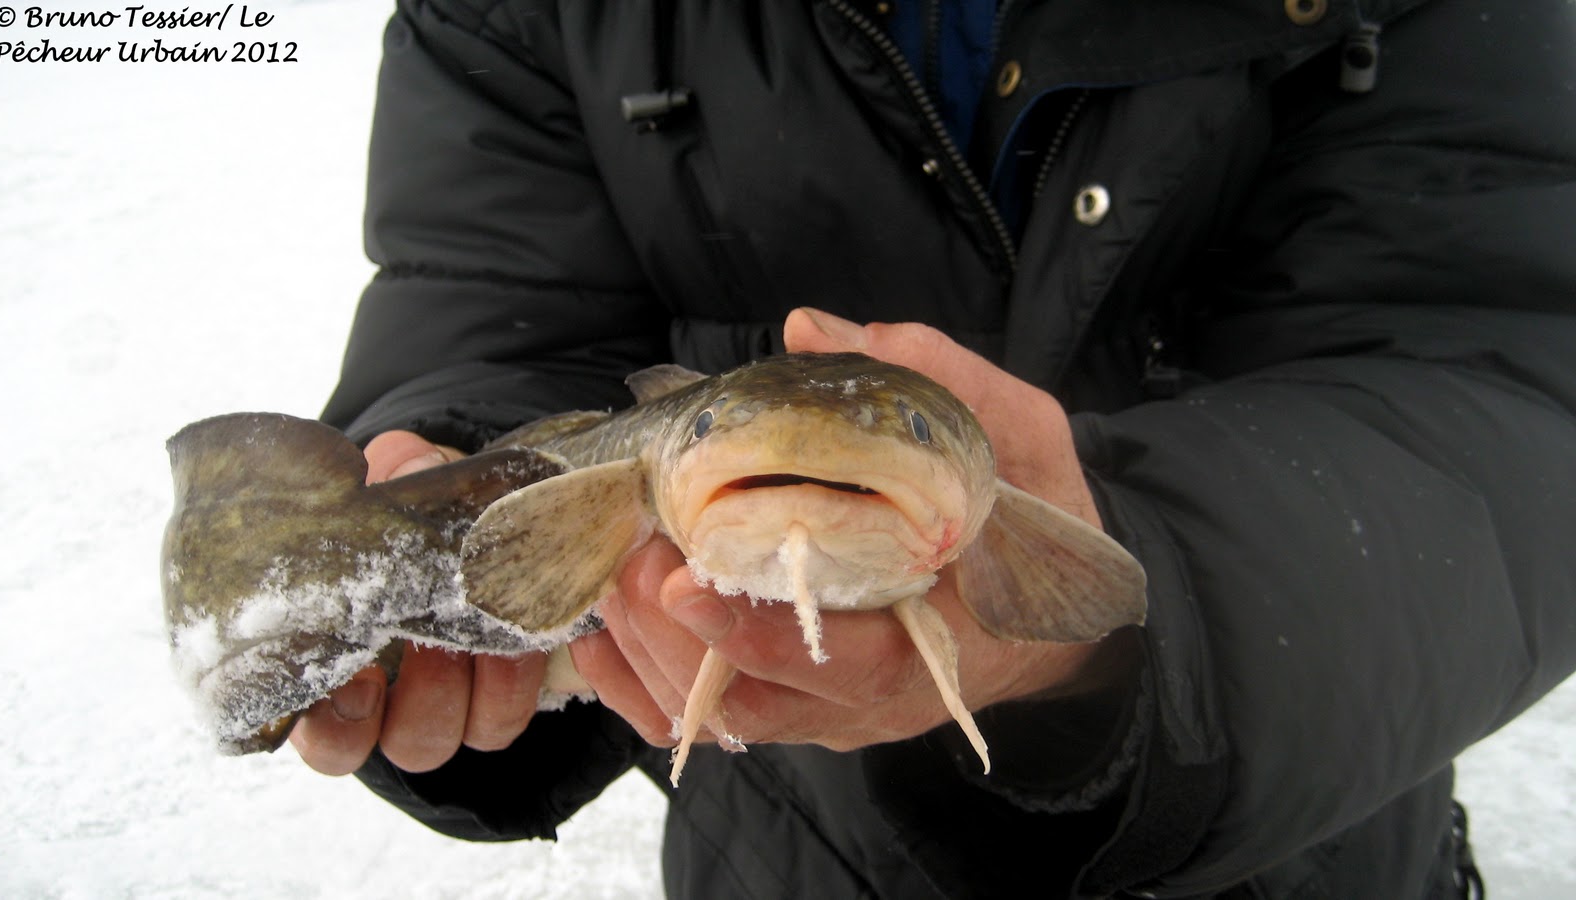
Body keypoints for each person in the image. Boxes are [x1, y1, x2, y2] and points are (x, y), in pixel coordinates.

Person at [288, 0, 1576, 896]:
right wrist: (463, 501)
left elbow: (1500, 372)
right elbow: (497, 313)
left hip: (1300, 831)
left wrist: (1131, 625)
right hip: (775, 854)